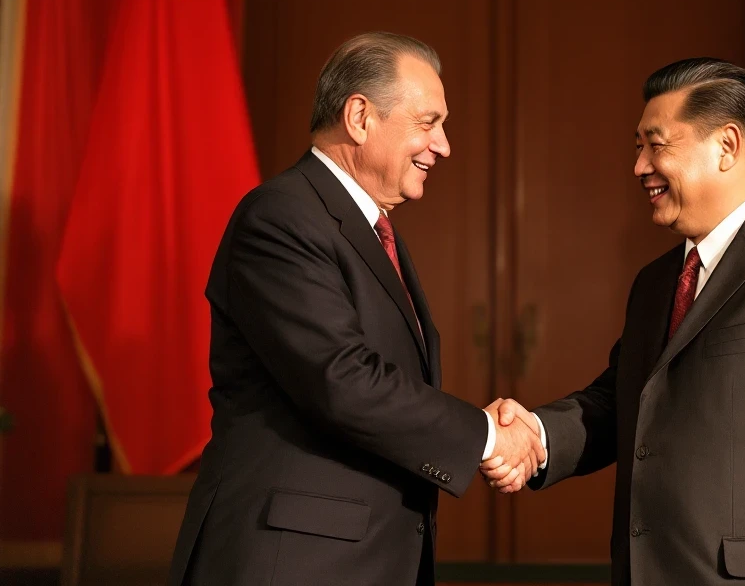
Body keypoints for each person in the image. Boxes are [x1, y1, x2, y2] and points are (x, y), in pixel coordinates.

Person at [483, 58, 745, 585]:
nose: (640, 166)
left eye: (656, 145)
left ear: (727, 146)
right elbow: (627, 401)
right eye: (637, 147)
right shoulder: (656, 282)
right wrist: (539, 434)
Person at [168, 32, 544, 586]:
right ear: (360, 116)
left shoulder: (366, 227)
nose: (442, 146)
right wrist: (488, 437)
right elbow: (341, 379)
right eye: (428, 123)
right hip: (292, 563)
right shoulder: (281, 217)